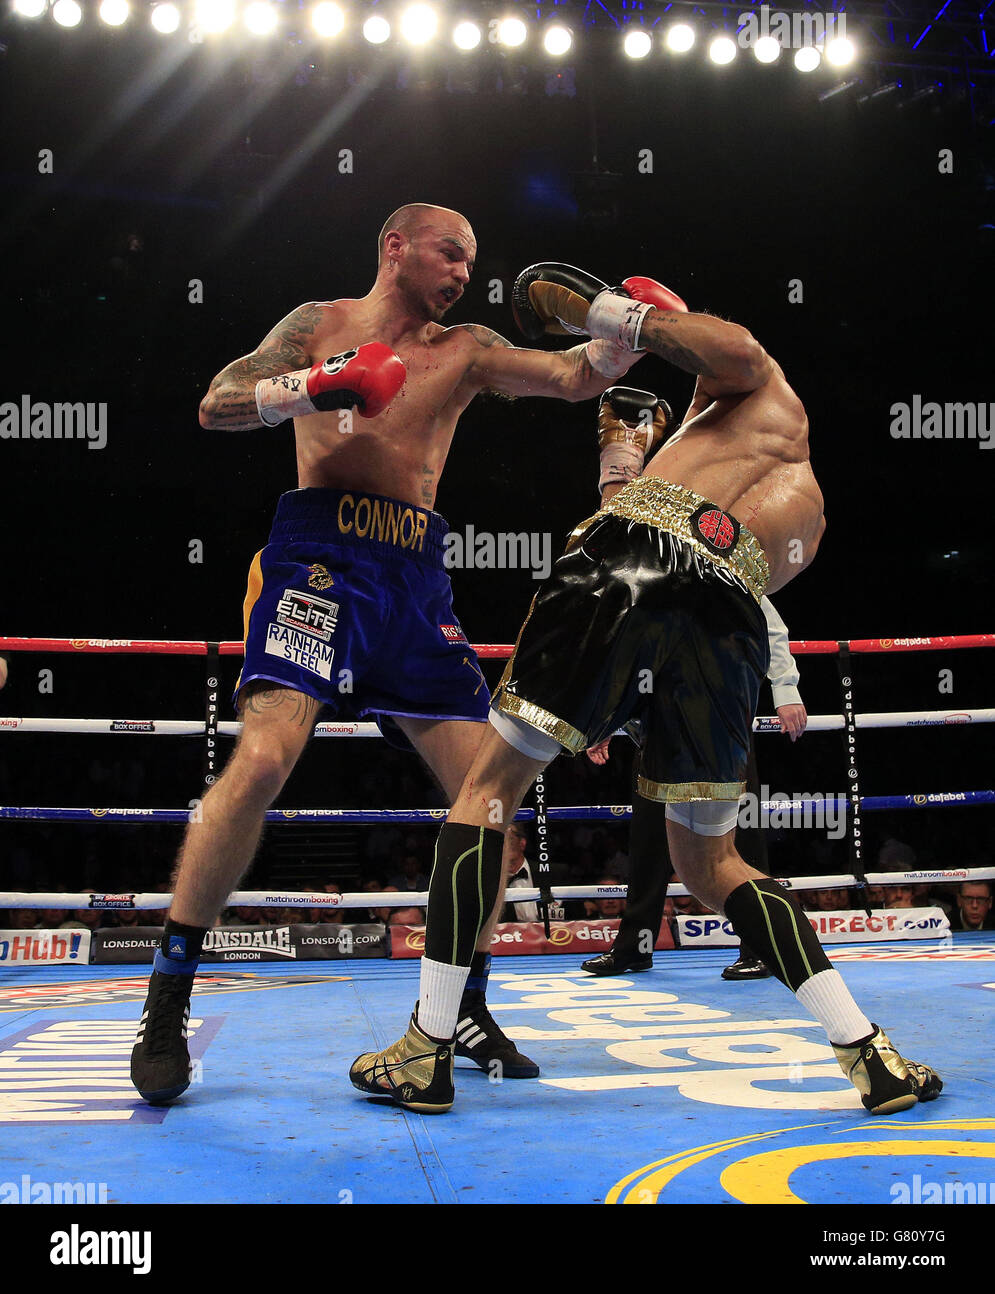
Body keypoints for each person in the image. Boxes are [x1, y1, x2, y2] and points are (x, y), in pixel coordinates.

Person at [350, 261, 941, 1118]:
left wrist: (613, 316)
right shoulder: (799, 500)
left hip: (623, 563)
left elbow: (724, 366)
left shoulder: (758, 386)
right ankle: (866, 1053)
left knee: (485, 793)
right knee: (711, 862)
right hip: (729, 612)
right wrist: (625, 455)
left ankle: (426, 1047)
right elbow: (692, 575)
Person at [130, 206, 639, 1104]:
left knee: (492, 811)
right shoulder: (314, 325)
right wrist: (316, 386)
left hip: (413, 578)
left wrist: (623, 329)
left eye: (473, 261)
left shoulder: (469, 347)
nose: (463, 273)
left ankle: (463, 1009)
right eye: (450, 253)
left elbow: (571, 378)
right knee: (260, 762)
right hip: (315, 561)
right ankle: (170, 989)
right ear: (395, 247)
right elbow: (216, 404)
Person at [581, 391, 810, 980]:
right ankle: (636, 942)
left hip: (718, 697)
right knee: (649, 828)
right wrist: (606, 716)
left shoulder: (707, 527)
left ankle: (760, 946)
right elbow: (612, 633)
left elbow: (763, 614)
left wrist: (785, 689)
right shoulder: (620, 547)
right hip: (655, 708)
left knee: (740, 830)